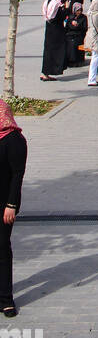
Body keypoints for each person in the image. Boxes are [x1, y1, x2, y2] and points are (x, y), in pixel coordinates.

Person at [0, 100, 27, 317]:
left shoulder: (14, 139)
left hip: (4, 205)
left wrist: (11, 205)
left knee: (1, 248)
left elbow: (17, 176)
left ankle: (6, 299)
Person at [40, 0, 67, 82]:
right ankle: (52, 70)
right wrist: (65, 9)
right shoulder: (56, 4)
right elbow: (61, 16)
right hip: (56, 30)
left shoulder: (46, 2)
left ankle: (45, 72)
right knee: (56, 50)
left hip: (49, 28)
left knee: (48, 50)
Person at [64, 2, 87, 67]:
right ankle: (69, 61)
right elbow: (67, 27)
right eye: (77, 10)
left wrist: (78, 25)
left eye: (80, 10)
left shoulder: (84, 17)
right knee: (69, 42)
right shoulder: (70, 17)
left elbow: (84, 28)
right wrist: (72, 24)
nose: (79, 12)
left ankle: (77, 61)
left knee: (74, 42)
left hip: (79, 35)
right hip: (70, 35)